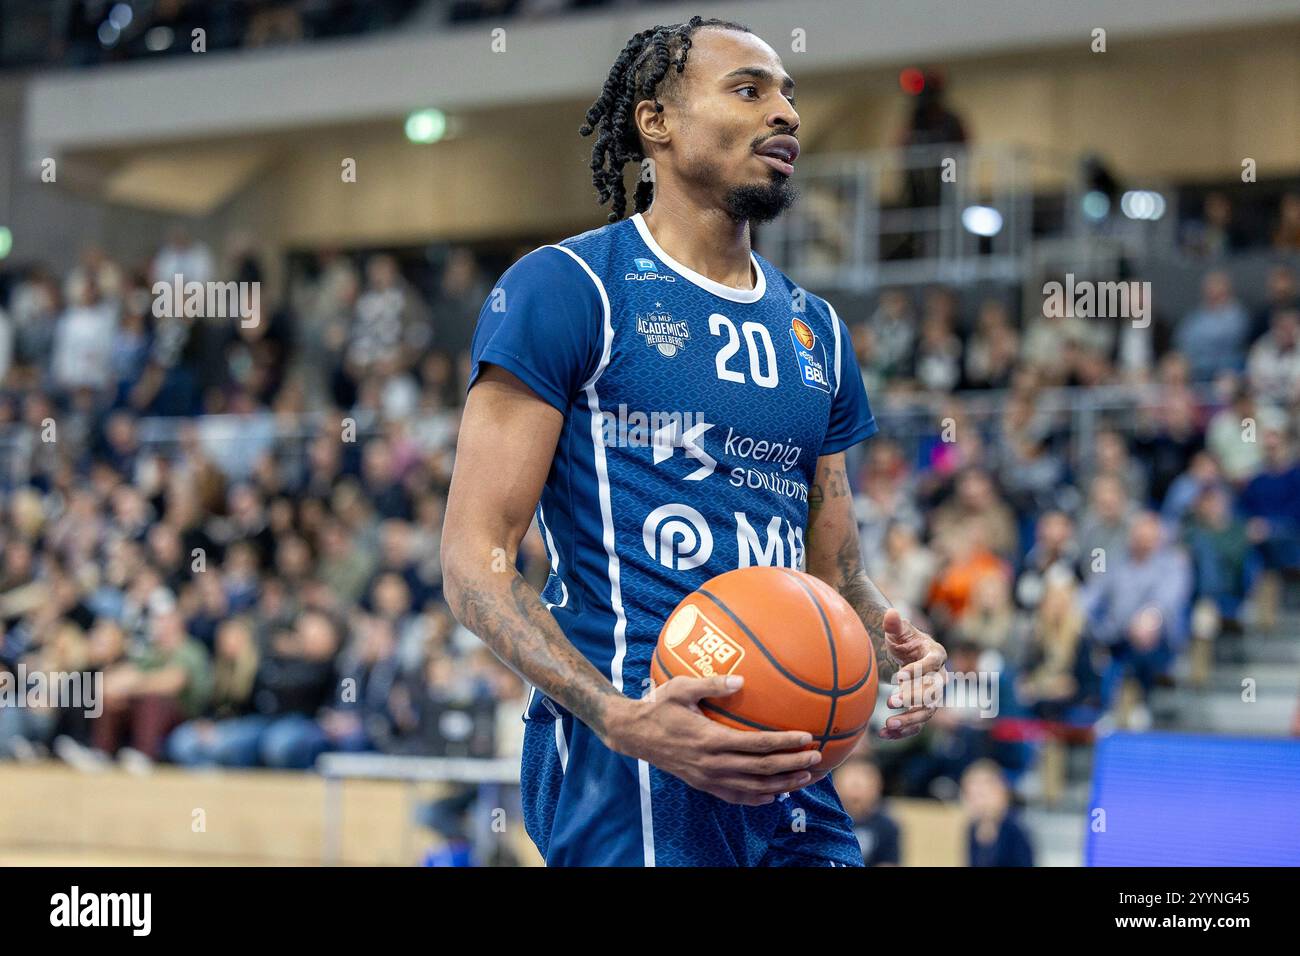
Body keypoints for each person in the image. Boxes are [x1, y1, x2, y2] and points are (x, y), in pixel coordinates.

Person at [442, 16, 947, 868]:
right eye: (749, 90)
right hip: (633, 744)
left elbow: (838, 573)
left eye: (789, 94)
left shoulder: (815, 330)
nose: (784, 112)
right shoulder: (567, 289)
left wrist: (894, 642)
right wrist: (614, 715)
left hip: (788, 747)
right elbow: (472, 558)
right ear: (656, 124)